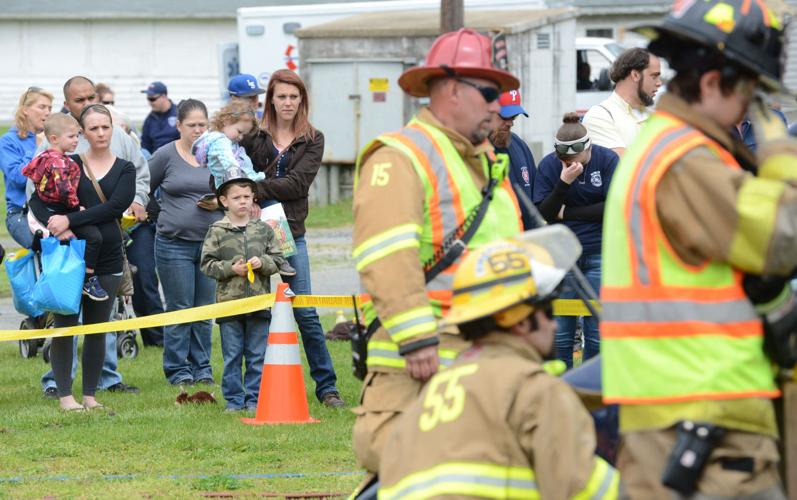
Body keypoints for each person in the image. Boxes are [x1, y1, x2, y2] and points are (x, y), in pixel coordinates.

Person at [602, 1, 797, 496]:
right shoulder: (686, 159)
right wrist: (779, 160)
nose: (753, 109)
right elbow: (784, 237)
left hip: (670, 410)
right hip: (710, 413)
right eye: (750, 92)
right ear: (711, 84)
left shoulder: (660, 145)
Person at [350, 28, 523, 475]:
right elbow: (385, 253)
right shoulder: (401, 156)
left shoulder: (486, 162)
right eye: (489, 92)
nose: (497, 104)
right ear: (450, 89)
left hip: (488, 359)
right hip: (426, 366)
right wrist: (417, 338)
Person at [378, 229, 619, 499]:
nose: (553, 325)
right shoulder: (534, 391)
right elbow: (586, 489)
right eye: (548, 311)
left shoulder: (426, 399)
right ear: (518, 320)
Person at [38, 75, 148, 398]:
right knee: (65, 326)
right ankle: (61, 390)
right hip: (72, 254)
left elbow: (120, 201)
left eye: (105, 127)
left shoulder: (124, 156)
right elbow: (40, 198)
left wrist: (70, 217)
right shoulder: (62, 155)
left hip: (110, 254)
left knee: (101, 328)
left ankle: (97, 388)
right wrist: (56, 224)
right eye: (80, 101)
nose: (100, 131)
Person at [241, 69, 344, 409]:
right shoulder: (254, 137)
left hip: (288, 232)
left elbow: (299, 184)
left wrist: (253, 189)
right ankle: (245, 392)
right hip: (249, 231)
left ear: (302, 100)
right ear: (270, 99)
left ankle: (327, 388)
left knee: (305, 310)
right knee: (247, 312)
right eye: (281, 96)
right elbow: (232, 171)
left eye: (293, 97)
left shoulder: (312, 138)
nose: (287, 102)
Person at [534, 113, 617, 368]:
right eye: (563, 160)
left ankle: (594, 392)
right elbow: (543, 213)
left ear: (588, 148)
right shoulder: (551, 166)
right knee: (560, 333)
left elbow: (614, 206)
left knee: (597, 333)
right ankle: (561, 388)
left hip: (598, 250)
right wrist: (563, 183)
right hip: (561, 254)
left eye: (573, 159)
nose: (568, 164)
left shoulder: (607, 160)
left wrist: (567, 212)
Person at [150, 99, 221, 386]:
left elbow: (233, 191)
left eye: (202, 125)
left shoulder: (217, 154)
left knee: (204, 310)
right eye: (191, 125)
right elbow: (143, 188)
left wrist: (218, 202)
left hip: (210, 245)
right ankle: (178, 370)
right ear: (179, 126)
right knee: (180, 307)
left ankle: (202, 369)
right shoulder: (165, 155)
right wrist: (161, 216)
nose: (197, 130)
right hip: (173, 243)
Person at [200, 168, 284, 411]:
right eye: (237, 198)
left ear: (253, 198)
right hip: (230, 305)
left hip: (259, 303)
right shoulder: (217, 230)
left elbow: (278, 259)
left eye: (247, 196)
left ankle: (254, 400)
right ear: (224, 201)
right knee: (233, 355)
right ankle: (234, 401)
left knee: (257, 356)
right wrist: (229, 268)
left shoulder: (264, 229)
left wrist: (263, 263)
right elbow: (207, 264)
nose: (243, 202)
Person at [23, 113, 108, 301]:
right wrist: (76, 208)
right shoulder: (60, 162)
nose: (76, 140)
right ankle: (88, 278)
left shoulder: (44, 156)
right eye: (71, 136)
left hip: (44, 207)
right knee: (94, 238)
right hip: (59, 209)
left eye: (77, 135)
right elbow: (64, 190)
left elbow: (29, 173)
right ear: (54, 138)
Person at [582, 48, 662, 156]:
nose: (659, 83)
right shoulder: (599, 116)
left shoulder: (655, 114)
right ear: (635, 75)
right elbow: (623, 166)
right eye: (654, 76)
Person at [0, 86, 53, 248]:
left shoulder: (53, 139)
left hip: (51, 212)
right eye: (42, 107)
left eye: (50, 108)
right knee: (47, 247)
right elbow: (18, 179)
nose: (48, 112)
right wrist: (37, 149)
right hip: (21, 214)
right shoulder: (8, 141)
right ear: (25, 111)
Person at [192, 102, 266, 190]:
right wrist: (241, 179)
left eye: (244, 134)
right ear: (226, 122)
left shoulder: (225, 139)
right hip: (233, 182)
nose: (241, 137)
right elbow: (229, 162)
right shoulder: (220, 142)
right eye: (239, 131)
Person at [491, 89, 537, 229]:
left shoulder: (520, 145)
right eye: (505, 116)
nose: (511, 123)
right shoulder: (474, 151)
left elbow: (535, 196)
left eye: (514, 117)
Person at [140, 81, 179, 155]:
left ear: (164, 97)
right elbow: (145, 147)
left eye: (152, 99)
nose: (150, 102)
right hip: (156, 160)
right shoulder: (149, 120)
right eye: (148, 99)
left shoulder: (179, 114)